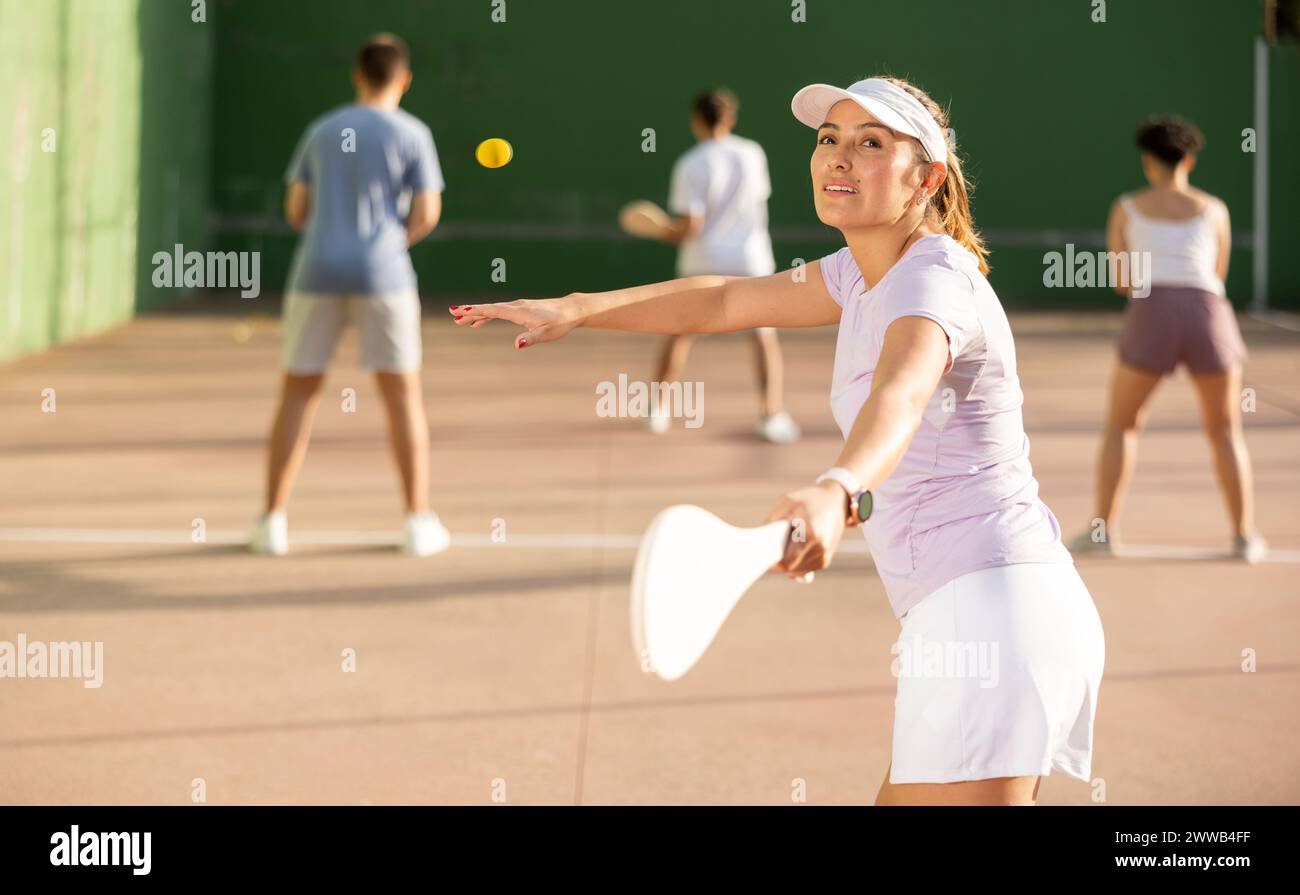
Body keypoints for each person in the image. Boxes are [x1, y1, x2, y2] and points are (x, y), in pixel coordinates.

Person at [448, 77, 1105, 806]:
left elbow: (902, 392)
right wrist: (578, 307)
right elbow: (725, 298)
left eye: (871, 144)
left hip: (995, 612)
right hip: (971, 615)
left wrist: (838, 487)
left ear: (928, 178)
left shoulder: (933, 280)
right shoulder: (858, 273)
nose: (839, 158)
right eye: (829, 140)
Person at [250, 33, 449, 557]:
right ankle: (416, 523)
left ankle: (271, 523)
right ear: (403, 80)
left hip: (315, 272)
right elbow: (426, 214)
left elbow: (297, 210)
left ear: (358, 75)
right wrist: (388, 243)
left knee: (298, 391)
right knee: (402, 394)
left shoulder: (322, 130)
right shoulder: (413, 133)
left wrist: (331, 237)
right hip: (384, 276)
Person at [1070, 115, 1266, 563]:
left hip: (1150, 312)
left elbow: (1122, 280)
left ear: (1147, 162)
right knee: (1225, 430)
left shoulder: (1126, 206)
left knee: (1122, 425)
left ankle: (1102, 532)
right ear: (1189, 160)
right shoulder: (1216, 209)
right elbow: (1218, 274)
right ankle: (1244, 538)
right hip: (1208, 314)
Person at [645, 88, 800, 442]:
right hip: (752, 260)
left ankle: (658, 409)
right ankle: (771, 415)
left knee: (679, 333)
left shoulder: (690, 163)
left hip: (704, 262)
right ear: (730, 118)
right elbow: (756, 202)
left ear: (696, 120)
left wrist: (666, 232)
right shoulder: (753, 154)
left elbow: (690, 226)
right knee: (763, 337)